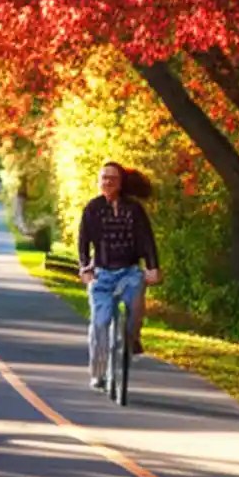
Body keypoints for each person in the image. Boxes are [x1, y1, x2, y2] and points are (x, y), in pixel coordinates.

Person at [78, 161, 161, 390]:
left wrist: (153, 267)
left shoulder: (134, 209)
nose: (107, 182)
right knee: (100, 323)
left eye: (112, 179)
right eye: (103, 178)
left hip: (130, 271)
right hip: (102, 274)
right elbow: (83, 242)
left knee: (135, 309)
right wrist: (85, 267)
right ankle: (98, 373)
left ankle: (132, 337)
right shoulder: (92, 209)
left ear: (121, 183)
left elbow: (147, 240)